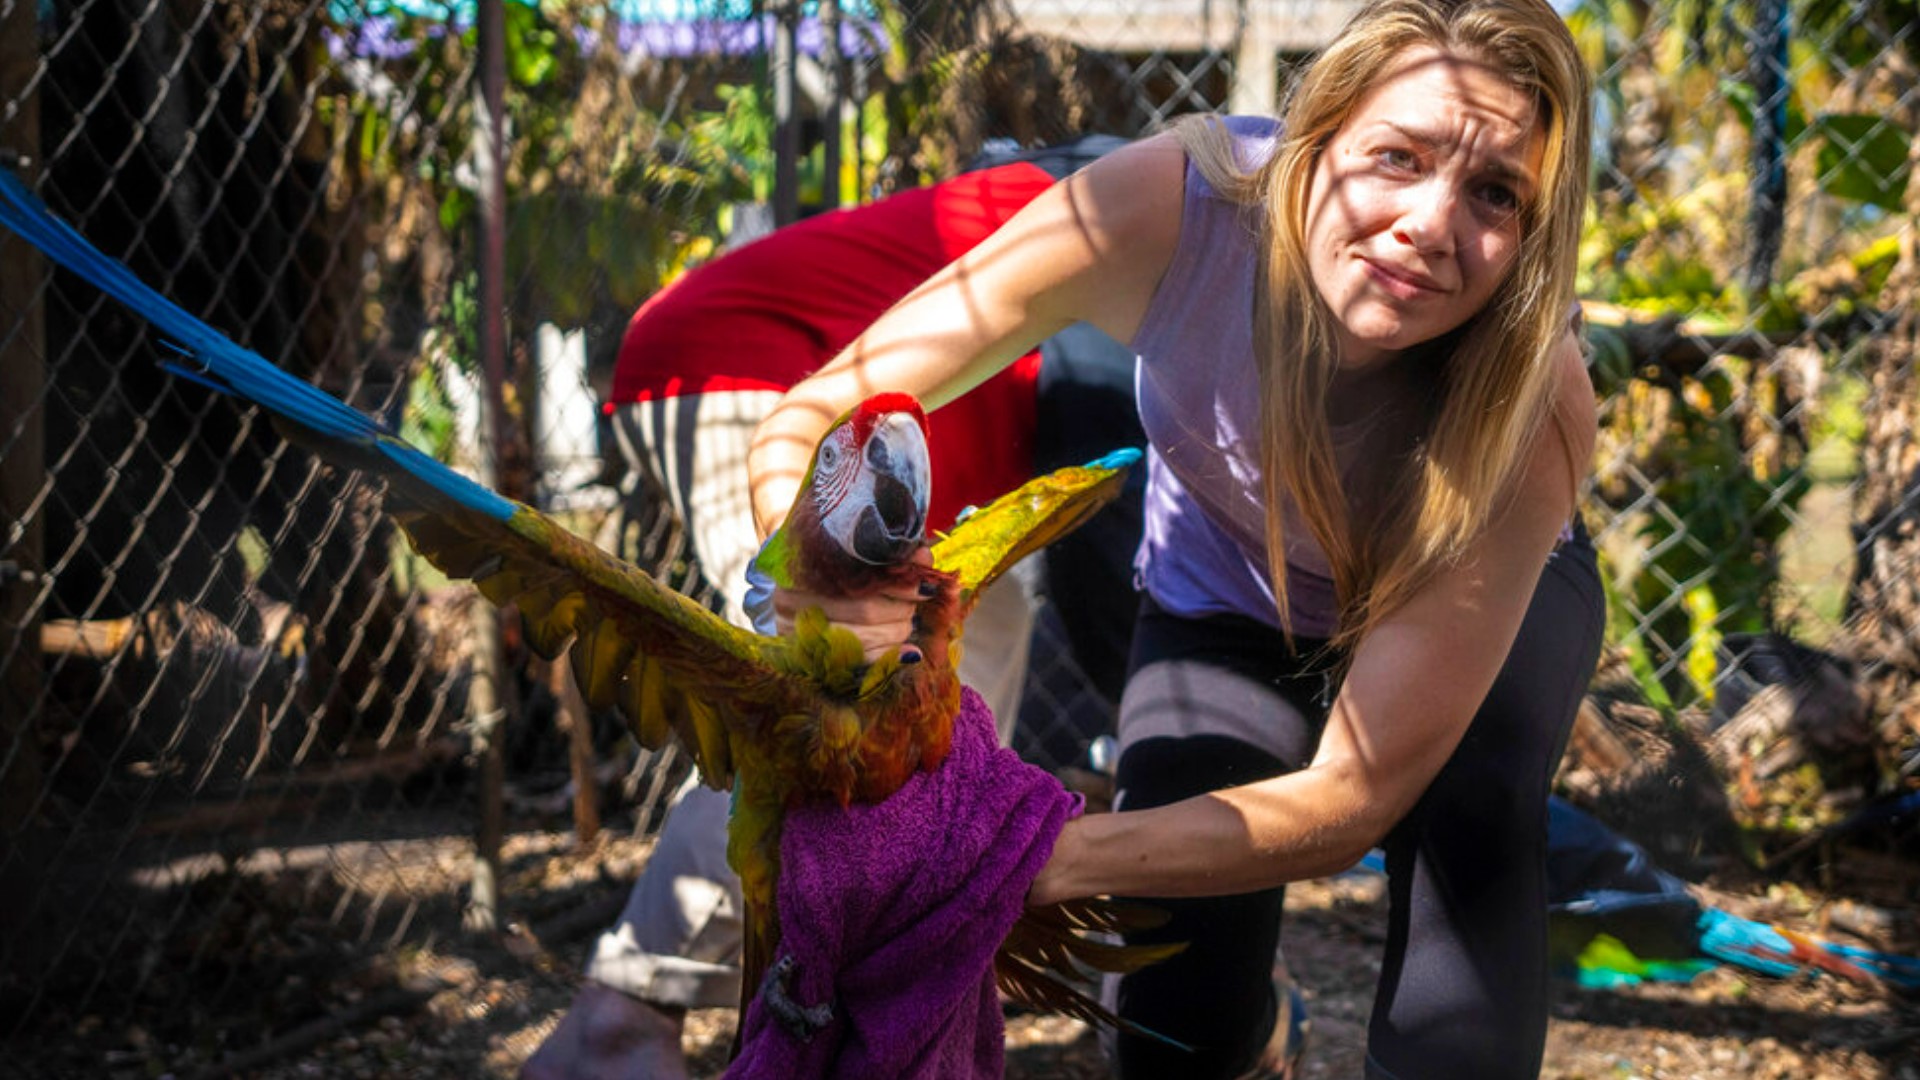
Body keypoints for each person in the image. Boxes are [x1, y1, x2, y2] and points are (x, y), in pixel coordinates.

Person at [744, 1, 1604, 1077]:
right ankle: (1261, 1037)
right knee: (1172, 1027)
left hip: (1479, 606)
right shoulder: (1167, 208)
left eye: (1494, 194)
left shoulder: (1538, 395)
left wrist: (1007, 861)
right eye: (1397, 156)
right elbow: (827, 406)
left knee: (1465, 892)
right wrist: (811, 571)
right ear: (1311, 143)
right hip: (1233, 589)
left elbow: (1349, 800)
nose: (1430, 223)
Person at [522, 140, 1143, 1079]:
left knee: (952, 706)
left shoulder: (1106, 199)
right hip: (747, 378)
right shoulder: (1135, 222)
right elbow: (1116, 562)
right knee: (812, 719)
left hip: (888, 461)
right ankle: (623, 1016)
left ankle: (906, 948)